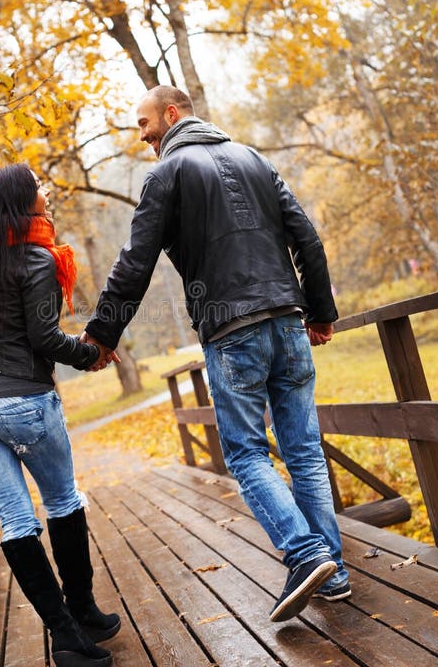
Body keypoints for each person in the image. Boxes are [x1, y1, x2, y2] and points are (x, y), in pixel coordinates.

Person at [83, 85, 351, 622]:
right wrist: (320, 311)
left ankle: (306, 554)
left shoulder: (166, 174)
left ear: (172, 113)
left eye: (144, 123)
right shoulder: (252, 158)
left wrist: (102, 335)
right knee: (303, 452)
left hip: (232, 331)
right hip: (288, 322)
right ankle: (335, 573)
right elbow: (307, 238)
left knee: (246, 454)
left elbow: (135, 262)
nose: (141, 136)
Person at [0, 163, 121, 667]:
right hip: (22, 401)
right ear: (23, 201)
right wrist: (90, 355)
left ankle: (70, 636)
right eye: (37, 185)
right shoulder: (38, 259)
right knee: (63, 501)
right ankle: (82, 611)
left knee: (16, 522)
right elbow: (44, 337)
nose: (45, 189)